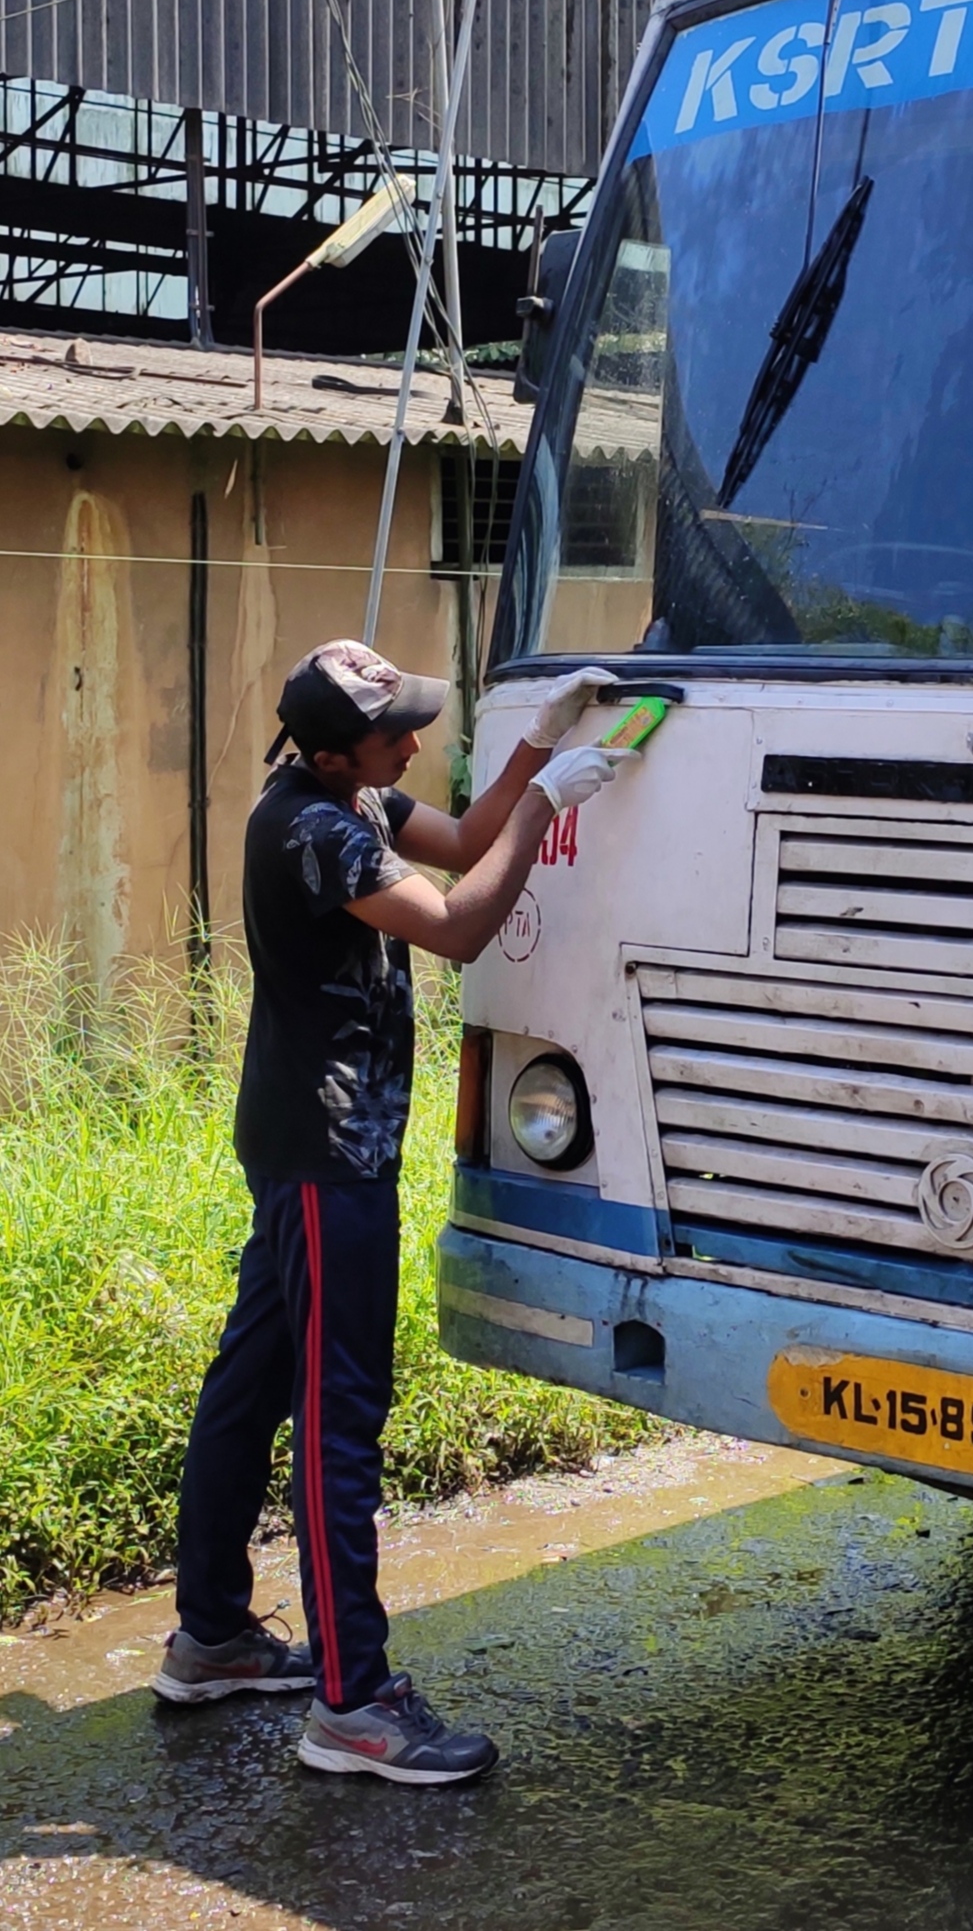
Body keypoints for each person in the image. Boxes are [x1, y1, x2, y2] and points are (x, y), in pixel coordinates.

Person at [153, 640, 627, 1786]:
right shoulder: (314, 831)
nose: (411, 744)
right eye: (391, 734)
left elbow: (461, 839)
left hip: (298, 1144)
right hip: (328, 1157)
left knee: (254, 1379)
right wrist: (551, 806)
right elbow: (462, 920)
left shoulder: (339, 790)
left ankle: (211, 1637)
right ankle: (353, 1706)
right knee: (339, 1418)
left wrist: (536, 748)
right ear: (328, 751)